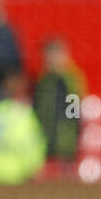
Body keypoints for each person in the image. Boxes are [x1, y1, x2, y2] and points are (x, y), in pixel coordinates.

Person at [31, 36, 85, 167]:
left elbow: (74, 114)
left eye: (55, 54)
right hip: (43, 141)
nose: (51, 59)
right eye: (48, 54)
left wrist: (71, 141)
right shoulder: (43, 80)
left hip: (64, 142)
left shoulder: (70, 80)